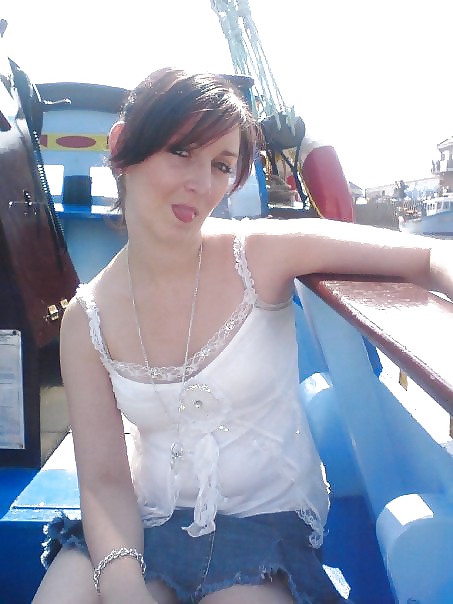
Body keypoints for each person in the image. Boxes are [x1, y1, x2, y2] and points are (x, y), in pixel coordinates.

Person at [33, 67, 453, 604]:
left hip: (265, 521)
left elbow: (427, 254)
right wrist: (123, 586)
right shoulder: (87, 317)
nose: (201, 183)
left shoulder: (255, 255)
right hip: (144, 517)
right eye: (181, 152)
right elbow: (104, 480)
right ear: (120, 149)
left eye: (221, 165)